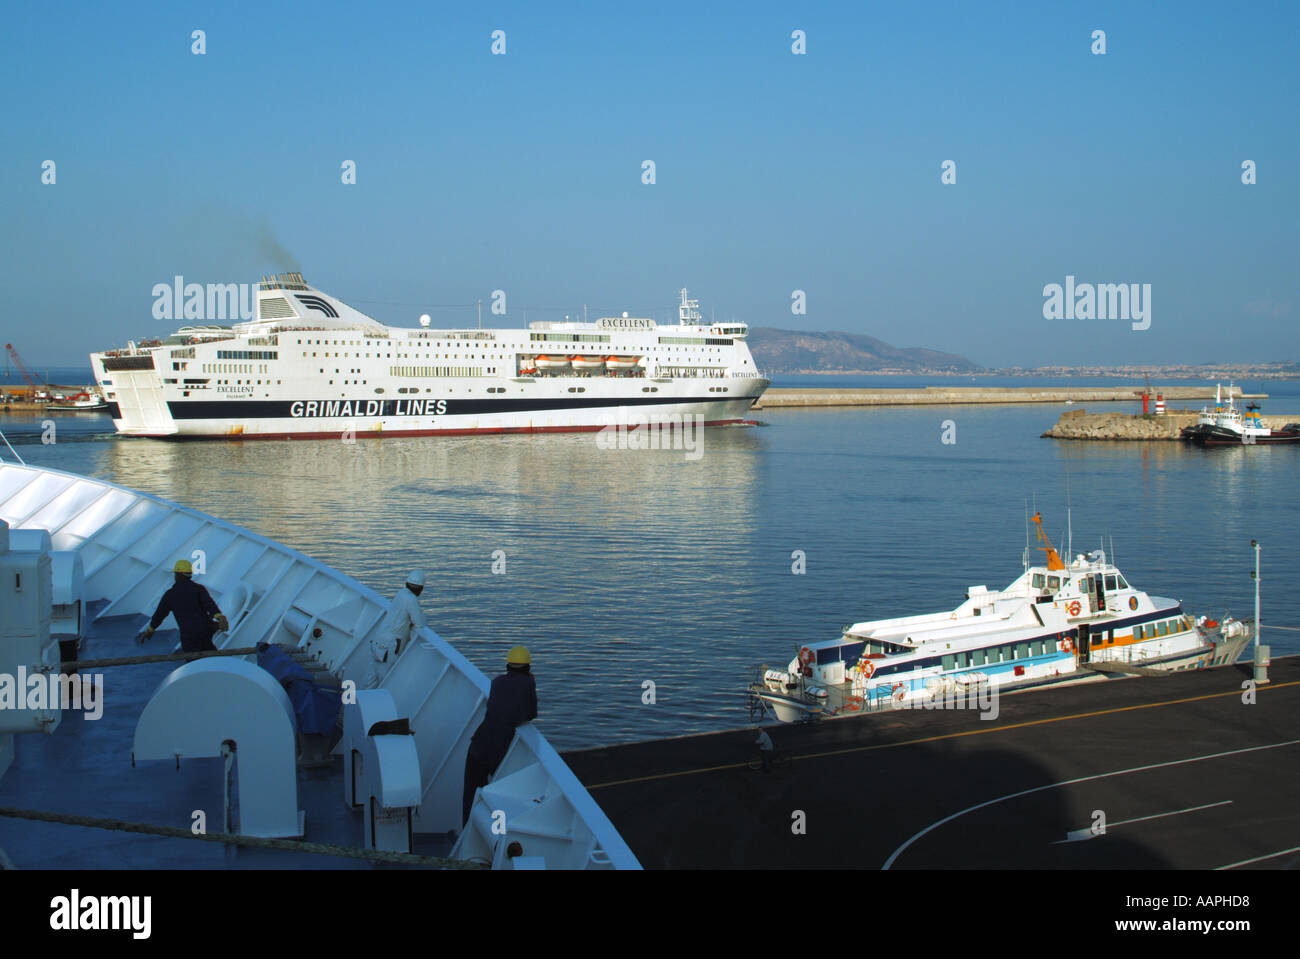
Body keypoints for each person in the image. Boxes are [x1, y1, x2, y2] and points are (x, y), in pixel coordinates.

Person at [462, 646, 538, 826]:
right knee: (498, 798)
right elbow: (531, 713)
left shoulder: (496, 682)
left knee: (470, 797)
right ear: (528, 667)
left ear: (508, 666)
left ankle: (466, 833)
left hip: (478, 745)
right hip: (499, 750)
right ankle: (495, 838)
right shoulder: (528, 684)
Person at [139, 560, 228, 652]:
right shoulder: (199, 589)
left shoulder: (170, 594)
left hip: (189, 634)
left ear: (178, 574)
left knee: (192, 659)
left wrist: (151, 629)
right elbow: (210, 604)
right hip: (206, 630)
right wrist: (219, 616)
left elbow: (160, 614)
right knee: (209, 652)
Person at [367, 570, 428, 687]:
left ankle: (356, 703)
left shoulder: (400, 594)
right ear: (420, 588)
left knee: (370, 681)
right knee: (386, 683)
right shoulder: (411, 599)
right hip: (389, 647)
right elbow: (420, 623)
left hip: (378, 641)